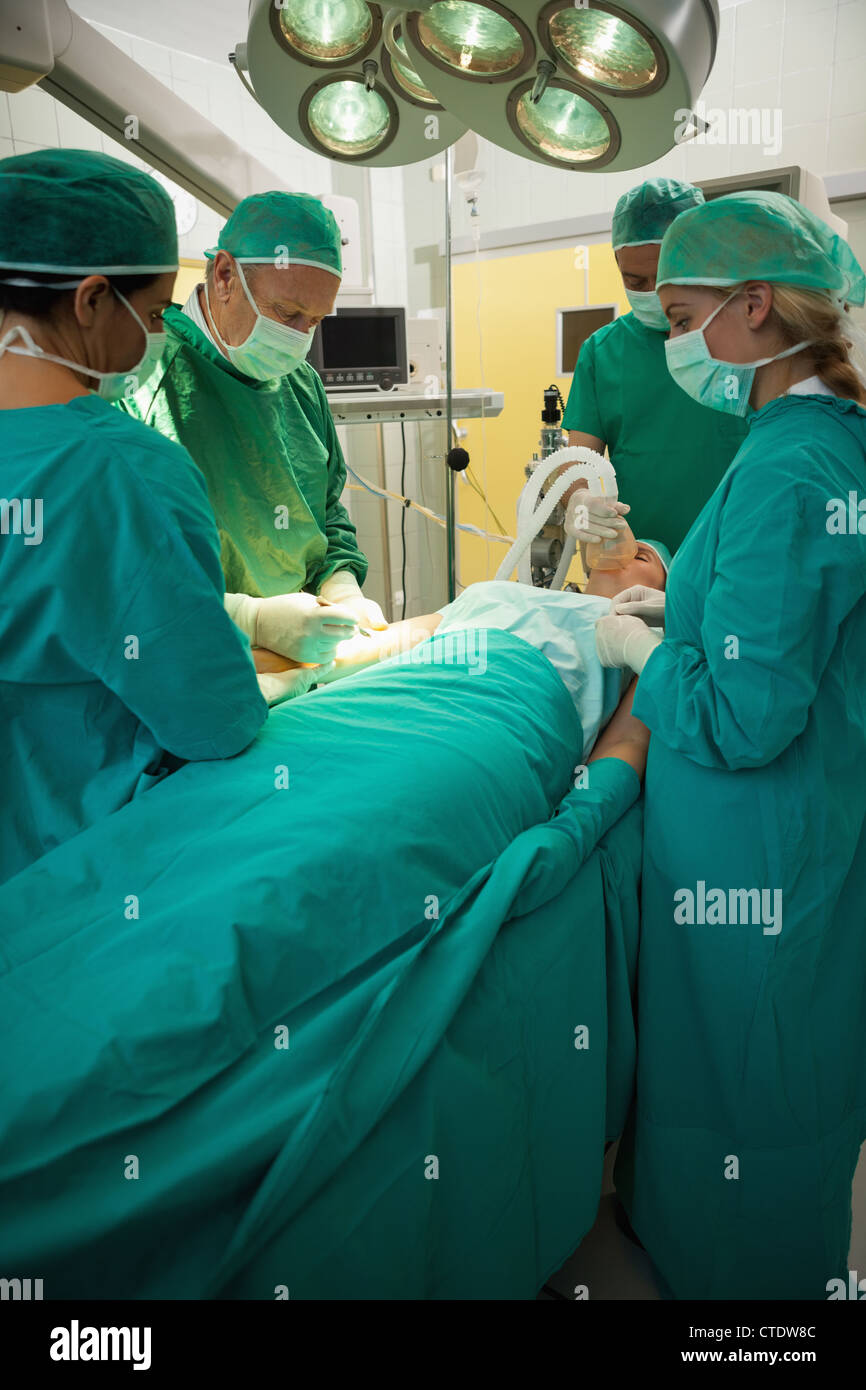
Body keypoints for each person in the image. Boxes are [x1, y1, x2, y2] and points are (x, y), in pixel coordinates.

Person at [594, 189, 866, 1299]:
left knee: (752, 1092)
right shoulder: (814, 441)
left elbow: (744, 716)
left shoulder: (786, 467)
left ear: (752, 307)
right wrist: (679, 611)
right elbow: (771, 632)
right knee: (754, 1083)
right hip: (785, 840)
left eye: (679, 314)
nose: (668, 342)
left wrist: (638, 650)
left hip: (750, 857)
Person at [0, 149, 270, 885]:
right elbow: (216, 722)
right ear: (90, 300)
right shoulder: (121, 472)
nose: (158, 332)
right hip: (90, 869)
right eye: (153, 313)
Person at [122, 191, 387, 666]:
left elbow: (326, 513)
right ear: (225, 275)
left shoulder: (300, 384)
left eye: (316, 321)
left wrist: (340, 585)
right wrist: (251, 619)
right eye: (287, 313)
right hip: (191, 660)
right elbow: (118, 572)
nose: (300, 336)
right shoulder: (140, 382)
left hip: (306, 661)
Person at [254, 527, 668, 763]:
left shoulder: (640, 643)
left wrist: (585, 812)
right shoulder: (497, 592)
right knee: (285, 750)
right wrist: (299, 671)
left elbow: (625, 744)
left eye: (644, 556)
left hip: (502, 714)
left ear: (662, 597)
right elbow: (391, 643)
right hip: (412, 682)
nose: (626, 549)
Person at [562, 177, 748, 556]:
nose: (651, 291)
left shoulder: (744, 337)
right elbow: (578, 463)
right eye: (635, 279)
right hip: (641, 563)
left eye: (663, 276)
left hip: (736, 558)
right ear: (616, 262)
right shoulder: (602, 351)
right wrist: (579, 501)